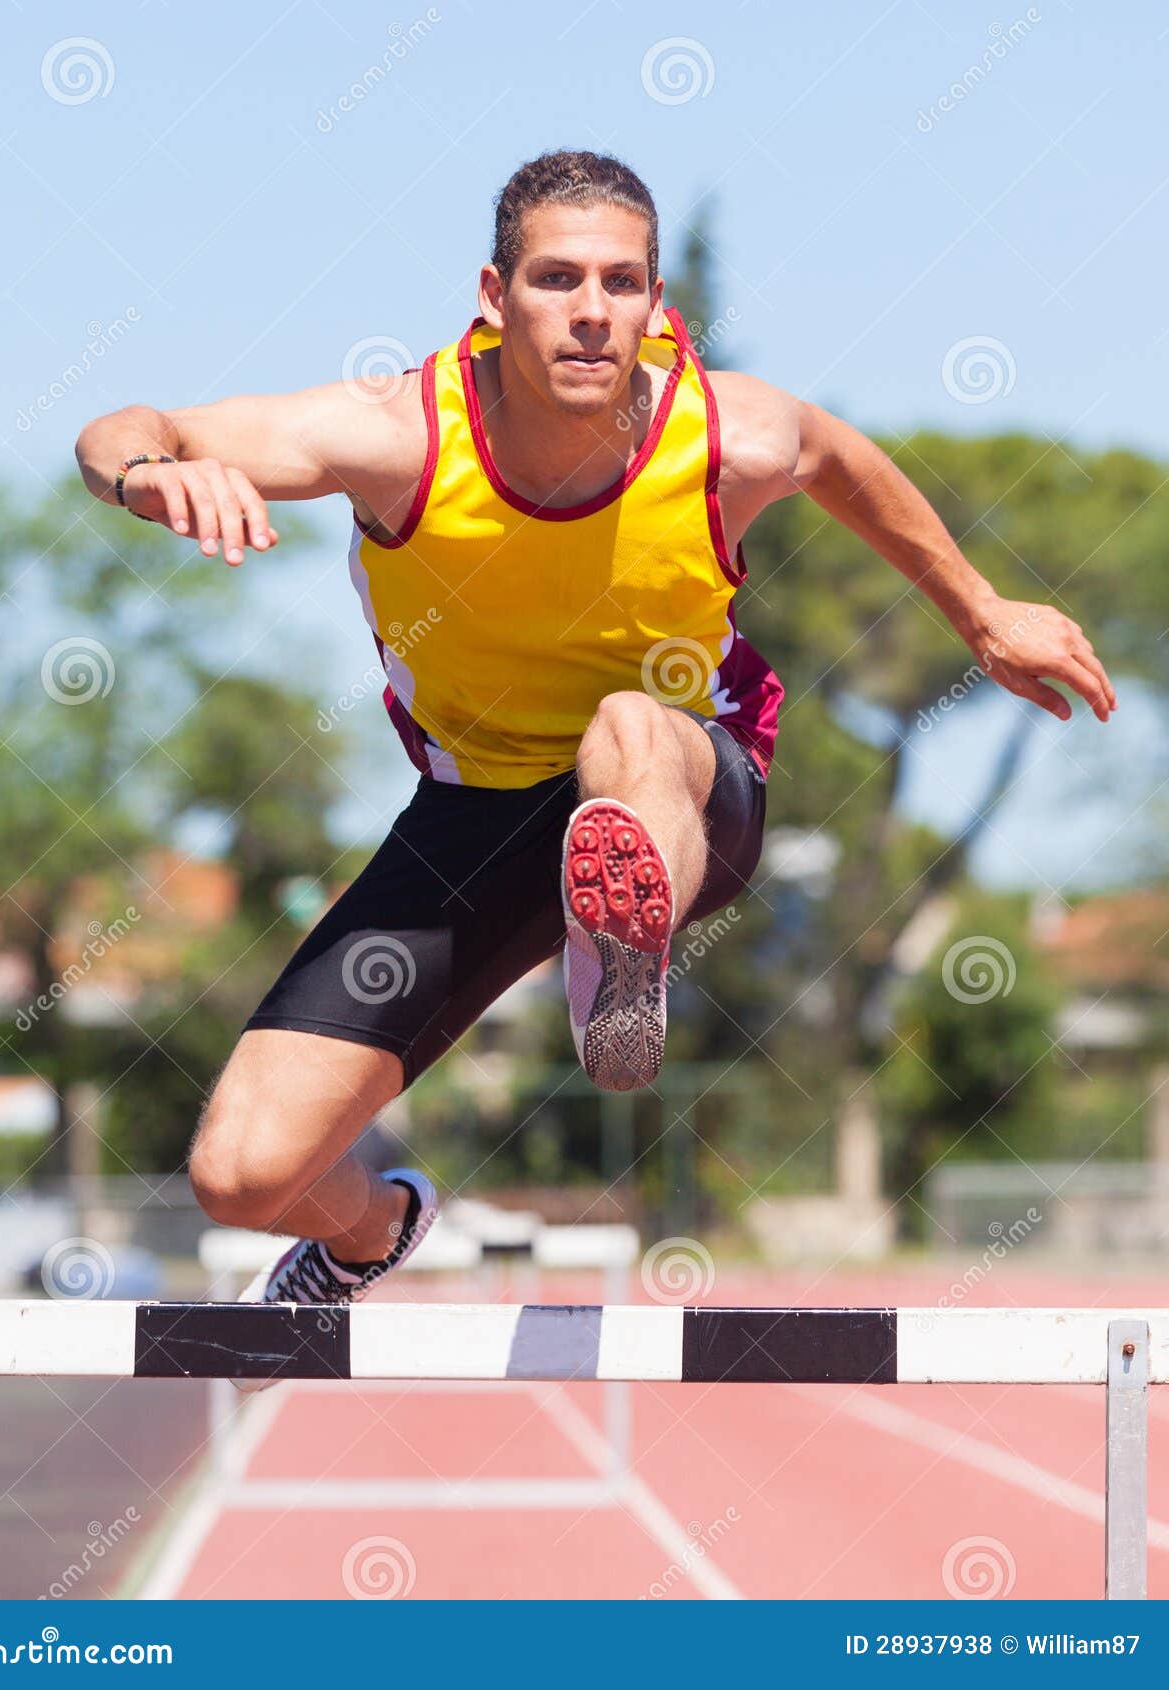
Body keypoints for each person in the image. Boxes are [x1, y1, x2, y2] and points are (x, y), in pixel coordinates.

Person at [76, 148, 1116, 1329]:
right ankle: (379, 1227)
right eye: (555, 280)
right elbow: (128, 426)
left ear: (653, 302)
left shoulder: (723, 434)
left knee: (625, 725)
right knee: (245, 1173)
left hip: (683, 783)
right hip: (474, 818)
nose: (588, 315)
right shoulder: (398, 437)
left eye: (620, 284)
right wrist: (150, 476)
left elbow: (835, 456)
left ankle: (622, 945)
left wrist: (982, 610)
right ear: (491, 296)